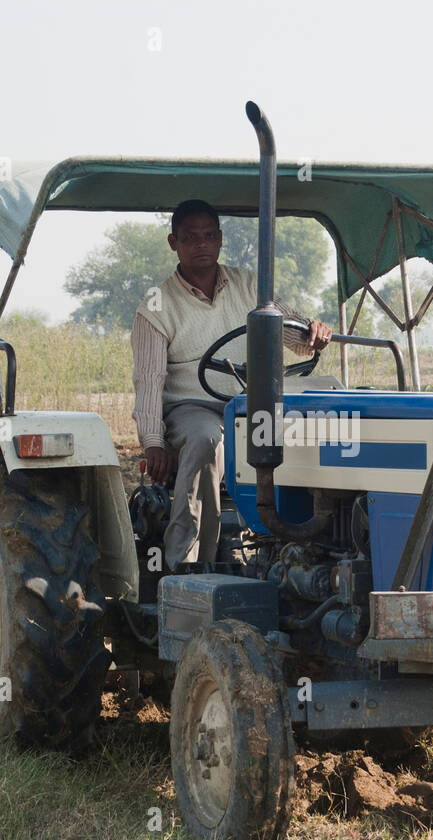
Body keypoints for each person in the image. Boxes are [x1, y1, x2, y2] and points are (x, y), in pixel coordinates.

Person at [131, 199, 332, 569]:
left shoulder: (249, 285)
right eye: (191, 238)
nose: (201, 244)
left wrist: (314, 332)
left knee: (322, 428)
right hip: (193, 407)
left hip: (251, 404)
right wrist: (153, 443)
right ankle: (188, 566)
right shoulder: (157, 305)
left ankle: (311, 550)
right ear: (173, 242)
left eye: (209, 236)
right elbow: (149, 380)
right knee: (206, 440)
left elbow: (296, 335)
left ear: (221, 239)